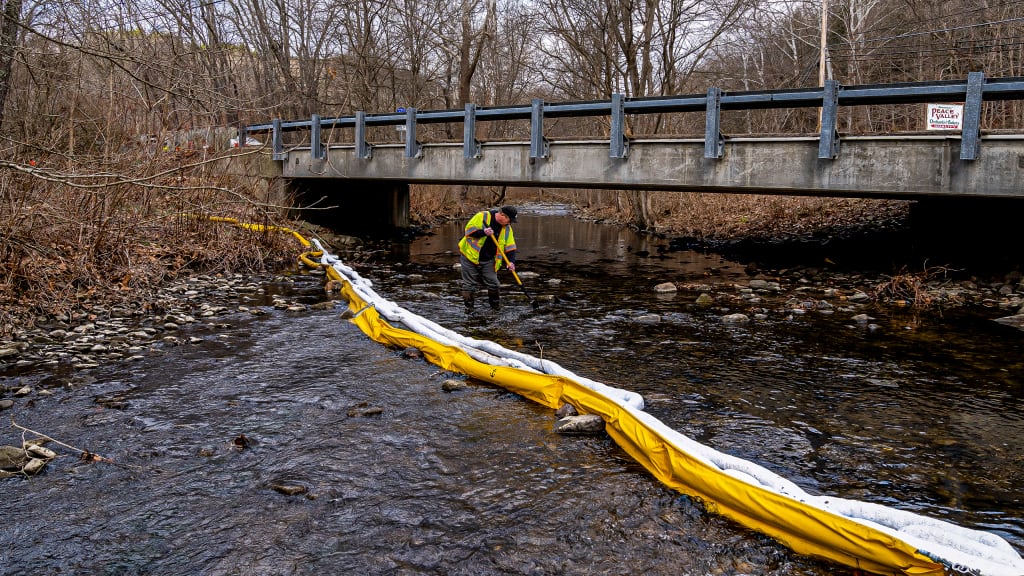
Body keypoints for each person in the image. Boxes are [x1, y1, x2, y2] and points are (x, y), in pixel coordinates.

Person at [458, 205, 518, 311]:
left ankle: (495, 308)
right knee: (469, 285)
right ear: (502, 215)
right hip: (470, 257)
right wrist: (483, 232)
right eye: (509, 220)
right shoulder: (482, 216)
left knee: (494, 284)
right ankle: (469, 309)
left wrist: (511, 262)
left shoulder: (507, 228)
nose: (510, 223)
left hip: (489, 260)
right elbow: (468, 231)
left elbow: (510, 247)